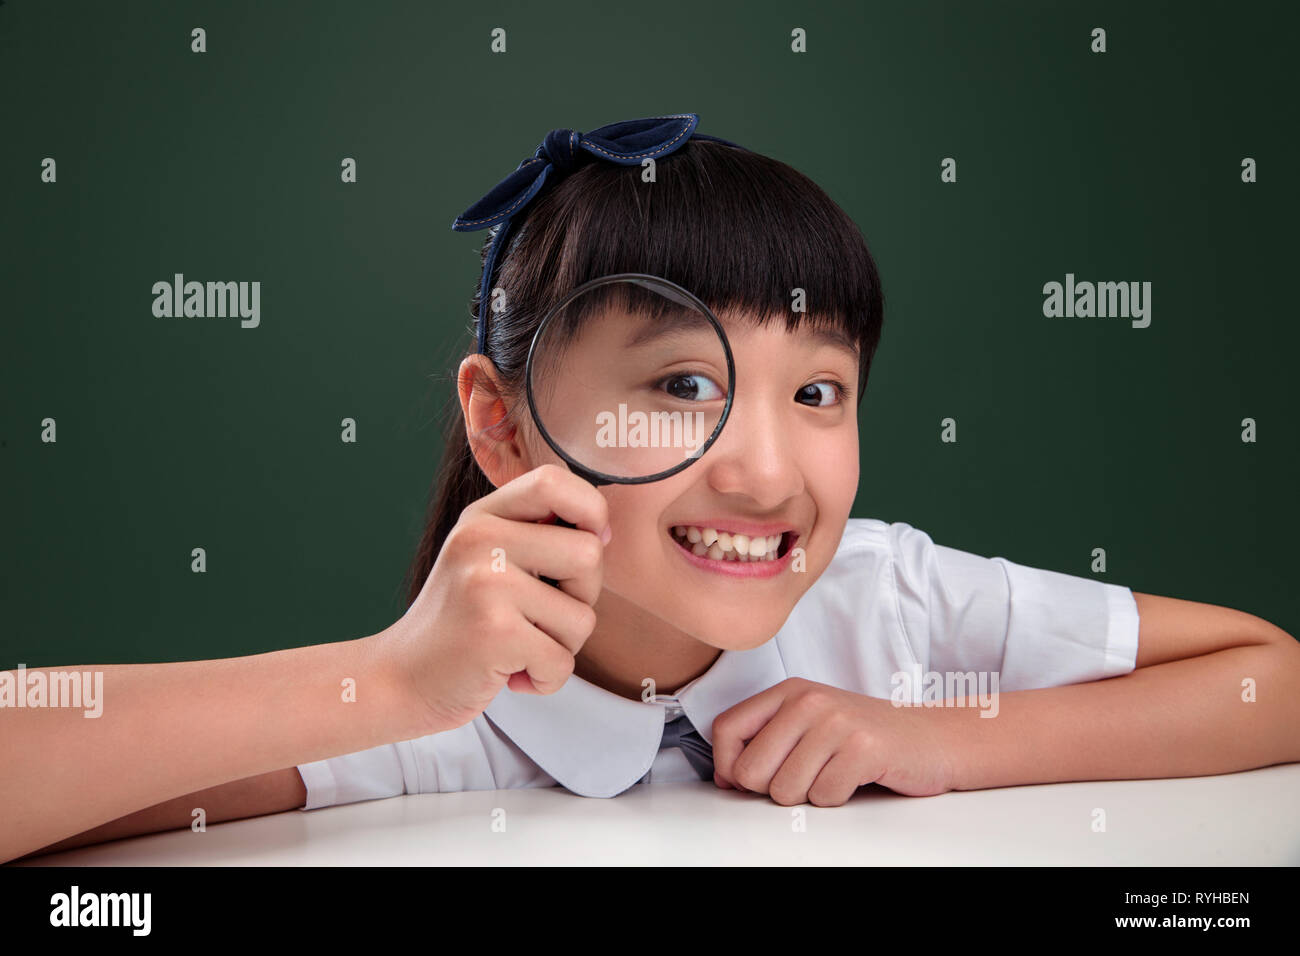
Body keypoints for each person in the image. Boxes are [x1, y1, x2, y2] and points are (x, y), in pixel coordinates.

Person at [6, 114, 1298, 864]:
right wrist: (392, 677)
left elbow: (1269, 678)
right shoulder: (446, 699)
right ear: (503, 430)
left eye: (818, 393)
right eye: (684, 387)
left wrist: (937, 738)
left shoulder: (882, 602)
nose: (767, 469)